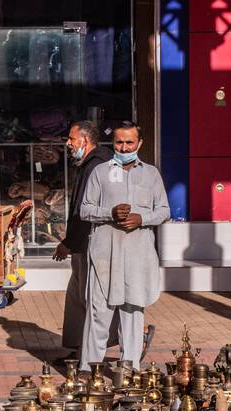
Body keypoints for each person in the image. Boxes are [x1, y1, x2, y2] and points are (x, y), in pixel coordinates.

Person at [77, 121, 170, 371]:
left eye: (130, 142)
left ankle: (129, 368)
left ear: (140, 143)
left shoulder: (151, 174)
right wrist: (110, 213)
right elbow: (85, 210)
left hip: (138, 255)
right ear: (113, 143)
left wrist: (142, 218)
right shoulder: (100, 172)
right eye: (119, 142)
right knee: (99, 312)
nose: (125, 146)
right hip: (105, 254)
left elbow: (164, 211)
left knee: (132, 311)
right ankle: (89, 368)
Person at [54, 121, 113, 358]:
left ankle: (89, 353)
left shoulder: (95, 166)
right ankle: (80, 348)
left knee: (90, 298)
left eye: (71, 138)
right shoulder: (91, 164)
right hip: (84, 243)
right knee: (78, 297)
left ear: (85, 141)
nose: (68, 143)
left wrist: (69, 242)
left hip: (90, 243)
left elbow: (83, 210)